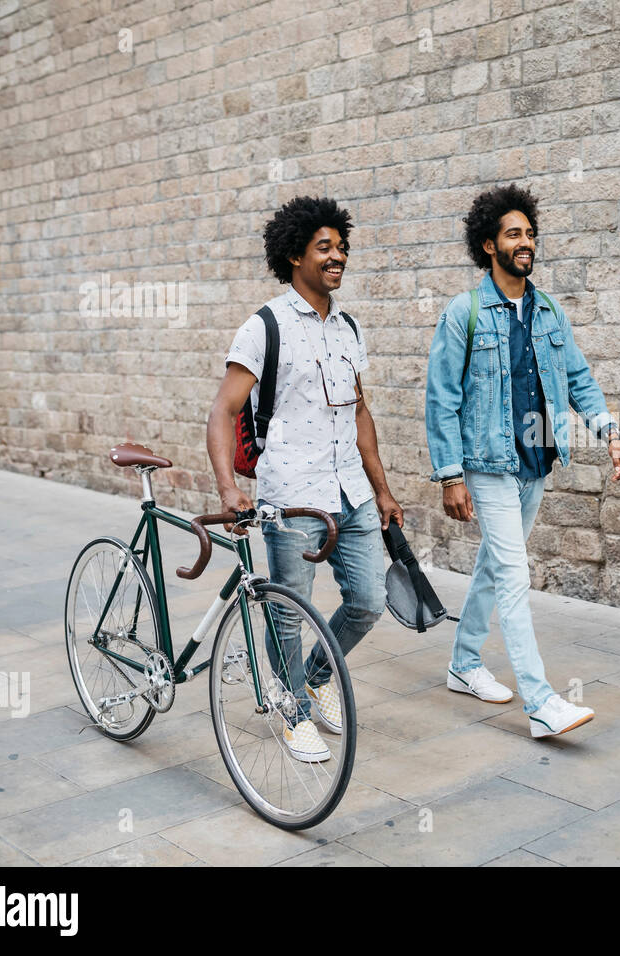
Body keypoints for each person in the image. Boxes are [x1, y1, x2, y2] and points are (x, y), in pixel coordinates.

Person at [425, 184, 620, 738]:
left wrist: (609, 431)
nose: (526, 243)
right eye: (514, 234)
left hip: (534, 463)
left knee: (496, 565)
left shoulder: (547, 311)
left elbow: (579, 379)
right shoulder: (463, 314)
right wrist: (449, 475)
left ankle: (464, 662)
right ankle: (542, 703)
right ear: (489, 244)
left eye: (530, 233)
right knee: (515, 574)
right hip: (488, 465)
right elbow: (441, 398)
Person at [207, 195, 404, 761]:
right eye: (325, 248)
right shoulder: (263, 327)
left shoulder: (348, 328)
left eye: (342, 247)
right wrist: (228, 488)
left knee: (367, 601)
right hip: (292, 496)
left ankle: (318, 677)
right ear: (296, 255)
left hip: (352, 493)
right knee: (288, 610)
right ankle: (290, 707)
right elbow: (223, 410)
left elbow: (359, 412)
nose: (338, 256)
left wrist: (383, 490)